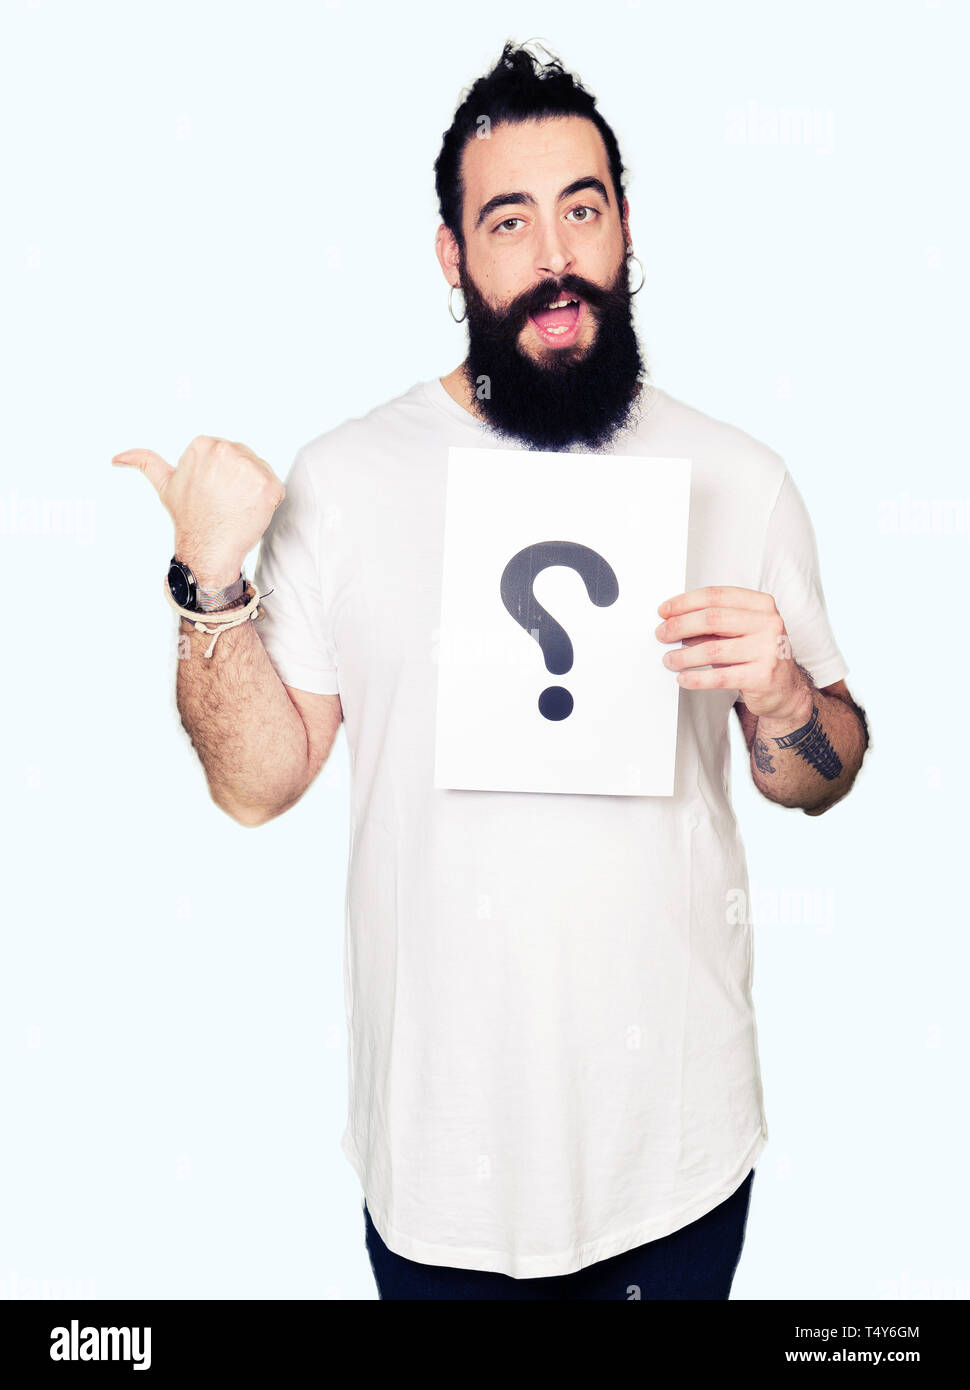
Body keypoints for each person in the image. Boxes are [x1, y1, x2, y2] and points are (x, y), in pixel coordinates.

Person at [112, 40, 870, 1300]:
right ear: (452, 257)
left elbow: (823, 774)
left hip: (672, 1159)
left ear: (626, 224)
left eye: (582, 206)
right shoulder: (349, 479)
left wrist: (788, 698)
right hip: (440, 1173)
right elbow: (256, 784)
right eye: (507, 221)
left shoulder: (740, 476)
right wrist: (210, 583)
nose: (554, 254)